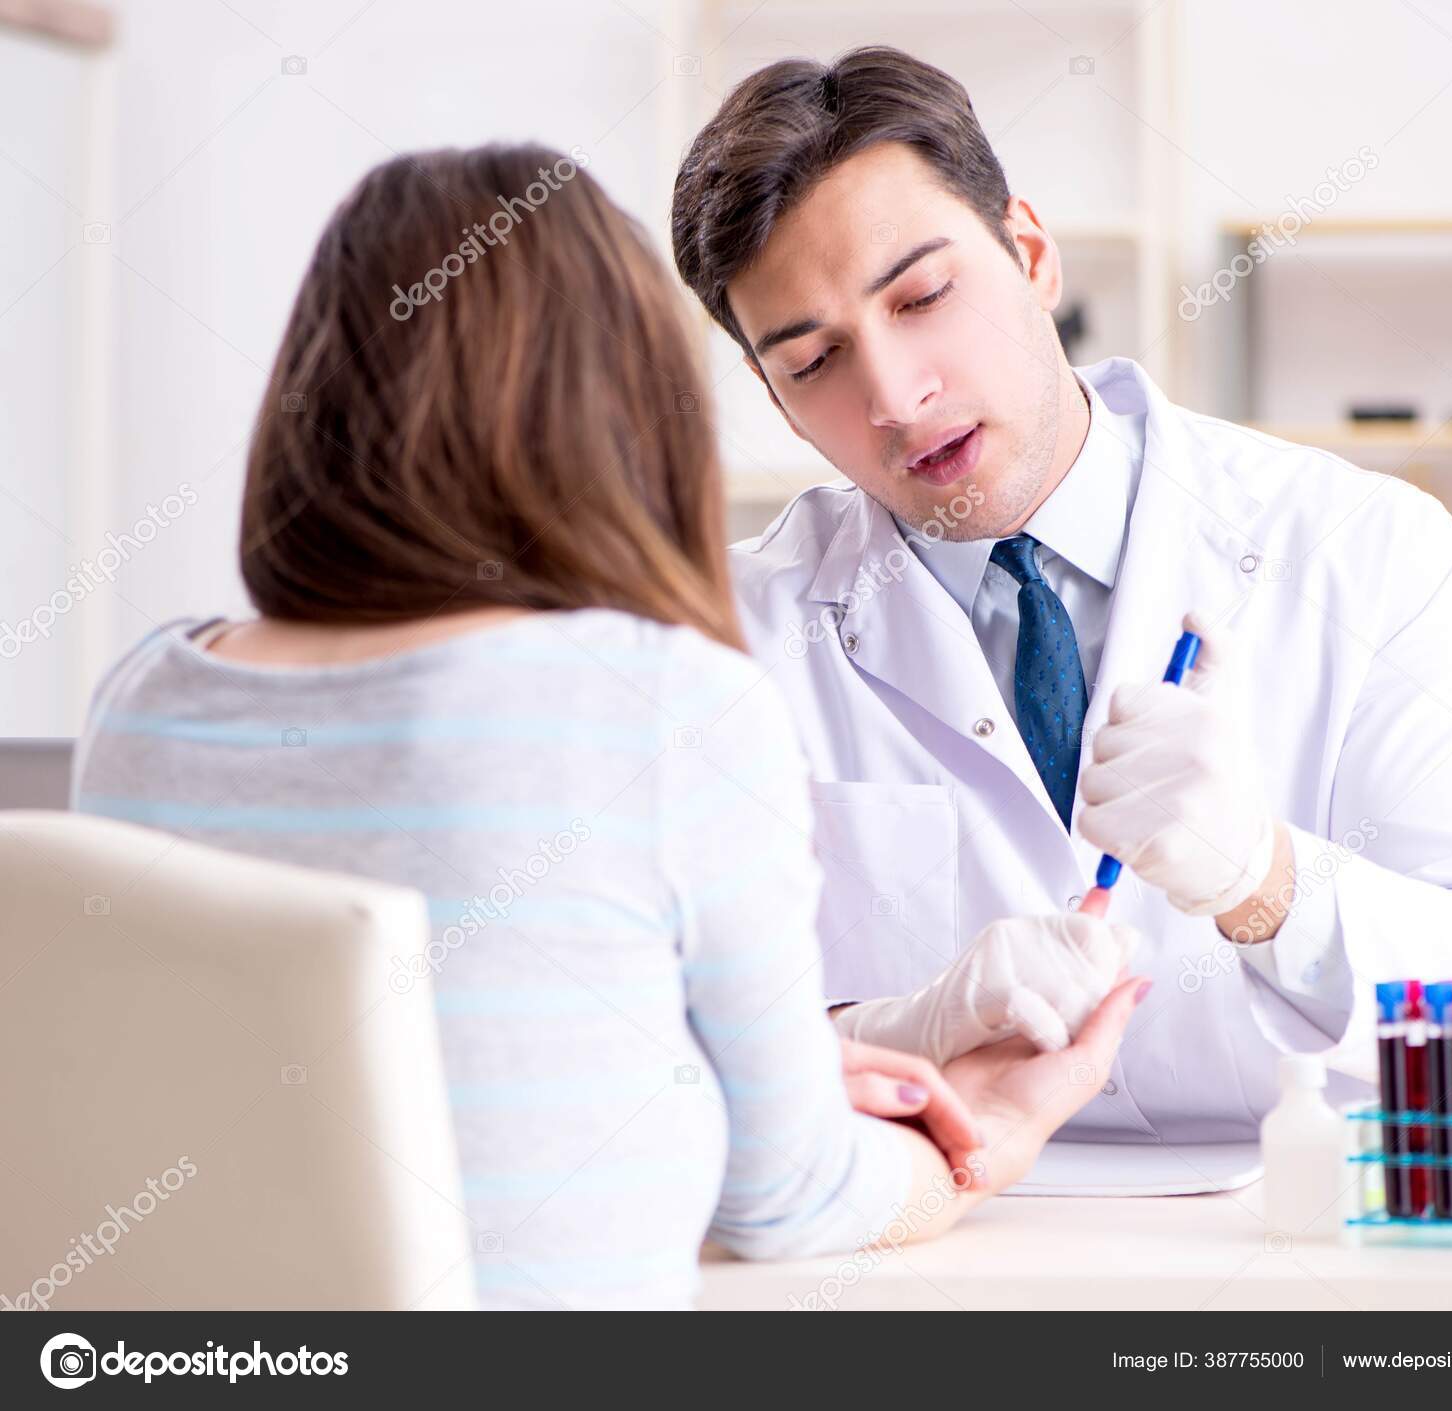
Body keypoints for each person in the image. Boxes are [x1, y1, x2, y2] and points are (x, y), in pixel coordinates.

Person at [70, 145, 1149, 1310]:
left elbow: (363, 1090)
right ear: (623, 408)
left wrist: (704, 1087)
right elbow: (786, 1198)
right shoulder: (664, 701)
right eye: (810, 359)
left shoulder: (145, 699)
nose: (890, 392)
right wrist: (988, 1132)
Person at [669, 46, 1452, 1136]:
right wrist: (890, 1032)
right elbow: (655, 1057)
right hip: (946, 1229)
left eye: (922, 296)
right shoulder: (729, 632)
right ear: (774, 400)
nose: (896, 397)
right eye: (814, 362)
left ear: (1030, 256)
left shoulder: (1368, 549)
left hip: (1306, 1220)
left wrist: (1268, 881)